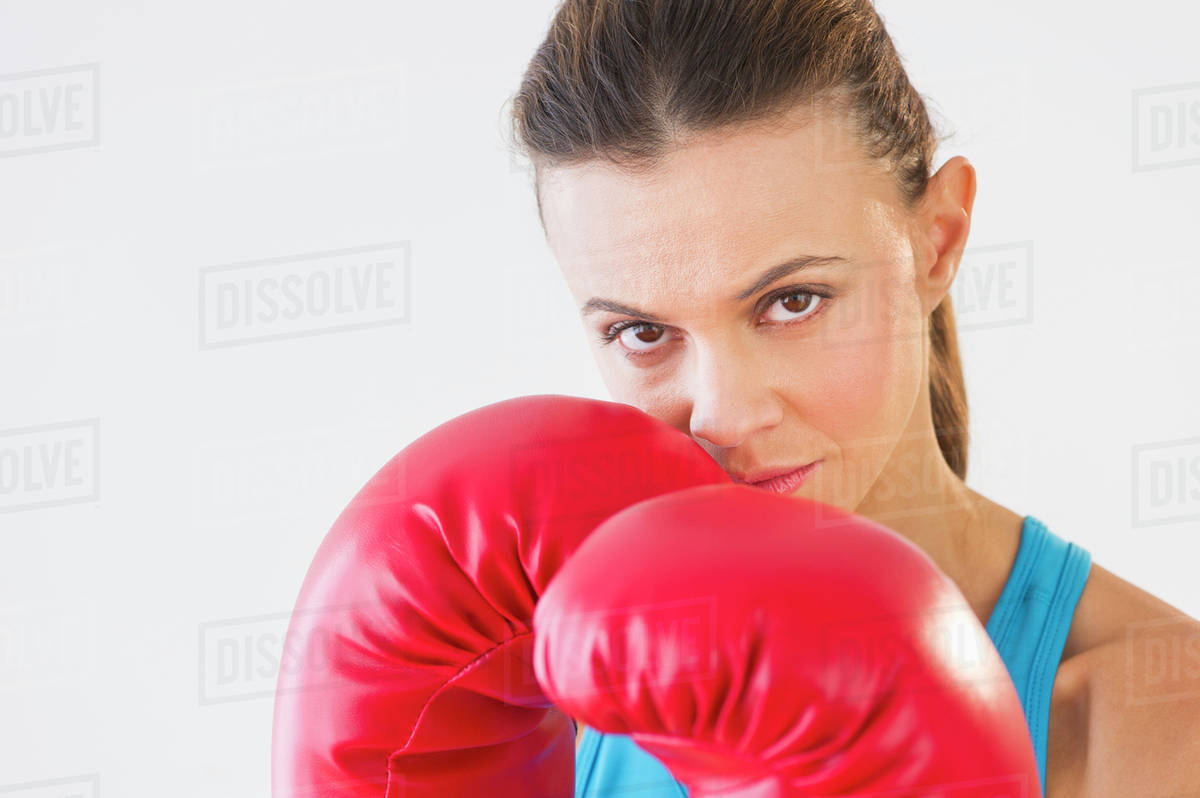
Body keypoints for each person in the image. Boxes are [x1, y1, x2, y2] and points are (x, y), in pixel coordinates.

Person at [506, 0, 1200, 795]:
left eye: (793, 301)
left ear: (936, 244)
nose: (723, 416)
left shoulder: (1160, 730)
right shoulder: (541, 692)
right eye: (641, 331)